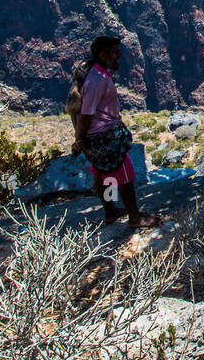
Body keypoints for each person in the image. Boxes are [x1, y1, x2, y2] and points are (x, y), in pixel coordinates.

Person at [68, 36, 160, 229]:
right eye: (115, 52)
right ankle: (135, 217)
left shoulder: (94, 73)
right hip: (104, 136)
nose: (119, 56)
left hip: (96, 136)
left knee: (103, 174)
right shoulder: (97, 79)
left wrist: (82, 139)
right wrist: (79, 139)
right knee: (124, 175)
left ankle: (111, 210)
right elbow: (86, 113)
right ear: (103, 54)